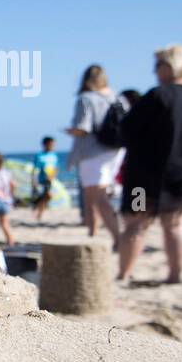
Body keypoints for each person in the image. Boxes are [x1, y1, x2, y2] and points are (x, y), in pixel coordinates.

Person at [117, 45, 182, 285]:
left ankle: (124, 274)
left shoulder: (158, 96)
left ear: (170, 66)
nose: (154, 71)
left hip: (143, 179)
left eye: (158, 65)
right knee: (175, 224)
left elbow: (126, 130)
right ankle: (175, 275)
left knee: (136, 224)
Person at [65, 64, 124, 245]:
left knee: (97, 196)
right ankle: (93, 235)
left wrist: (70, 131)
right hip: (117, 150)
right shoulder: (117, 97)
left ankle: (117, 238)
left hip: (93, 152)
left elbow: (83, 127)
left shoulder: (86, 98)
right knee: (93, 196)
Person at [32, 136, 59, 218]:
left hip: (50, 180)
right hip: (41, 180)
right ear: (45, 144)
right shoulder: (39, 156)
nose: (52, 146)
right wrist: (34, 181)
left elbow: (56, 168)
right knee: (47, 195)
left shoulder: (54, 155)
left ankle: (39, 212)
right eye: (51, 144)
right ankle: (38, 211)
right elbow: (35, 169)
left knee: (46, 196)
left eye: (53, 144)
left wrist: (53, 176)